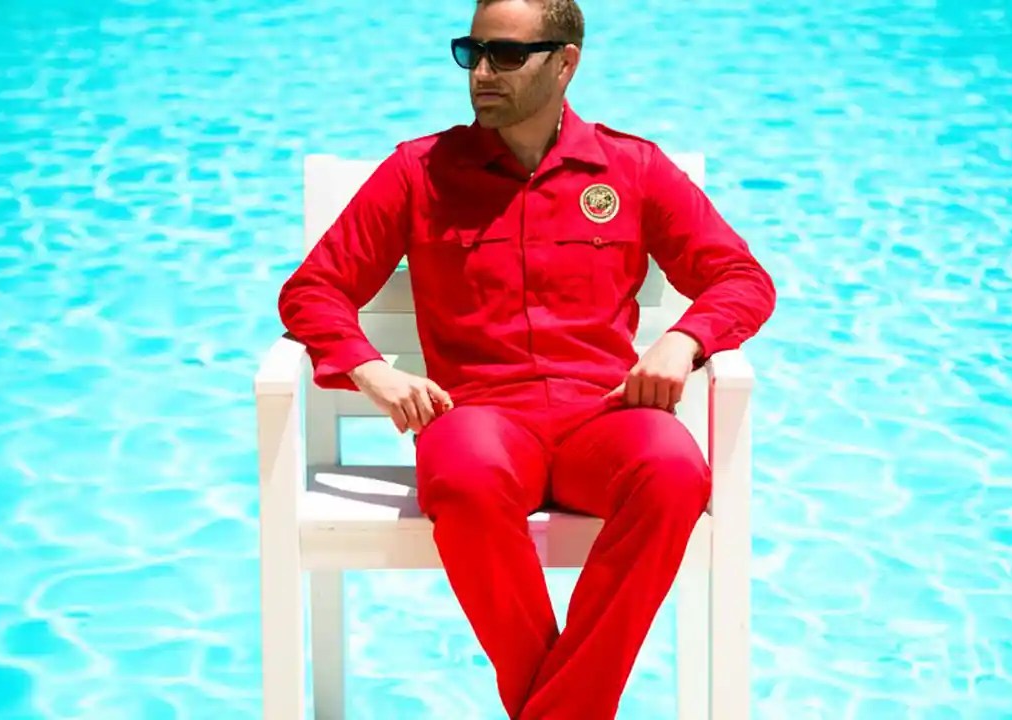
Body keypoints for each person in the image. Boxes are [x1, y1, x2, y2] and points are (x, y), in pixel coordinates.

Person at [278, 0, 776, 716]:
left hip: (602, 417)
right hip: (479, 417)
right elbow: (315, 290)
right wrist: (371, 369)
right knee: (464, 478)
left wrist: (684, 339)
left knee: (673, 472)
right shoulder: (419, 171)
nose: (482, 72)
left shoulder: (632, 167)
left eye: (506, 56)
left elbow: (741, 279)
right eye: (470, 52)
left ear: (566, 62)